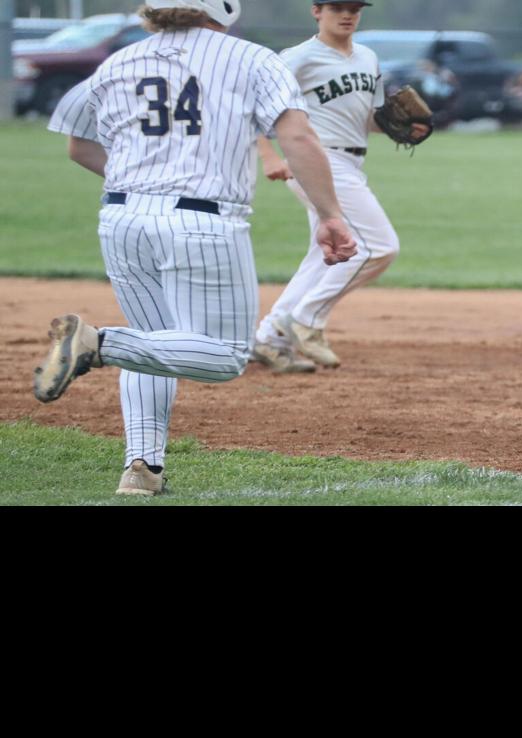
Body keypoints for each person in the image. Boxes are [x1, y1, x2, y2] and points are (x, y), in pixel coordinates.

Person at [32, 0, 356, 496]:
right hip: (202, 221)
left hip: (122, 217)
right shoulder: (251, 58)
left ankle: (141, 469)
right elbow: (296, 134)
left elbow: (79, 145)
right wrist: (331, 214)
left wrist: (139, 180)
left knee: (153, 340)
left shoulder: (118, 61)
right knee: (227, 356)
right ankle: (98, 344)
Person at [252, 0, 426, 373]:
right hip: (317, 161)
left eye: (354, 7)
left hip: (350, 162)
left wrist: (401, 128)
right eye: (337, 7)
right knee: (378, 247)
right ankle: (306, 320)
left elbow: (369, 118)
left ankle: (269, 339)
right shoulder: (297, 57)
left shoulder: (367, 58)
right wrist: (269, 156)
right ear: (317, 11)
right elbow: (254, 108)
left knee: (326, 257)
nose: (347, 14)